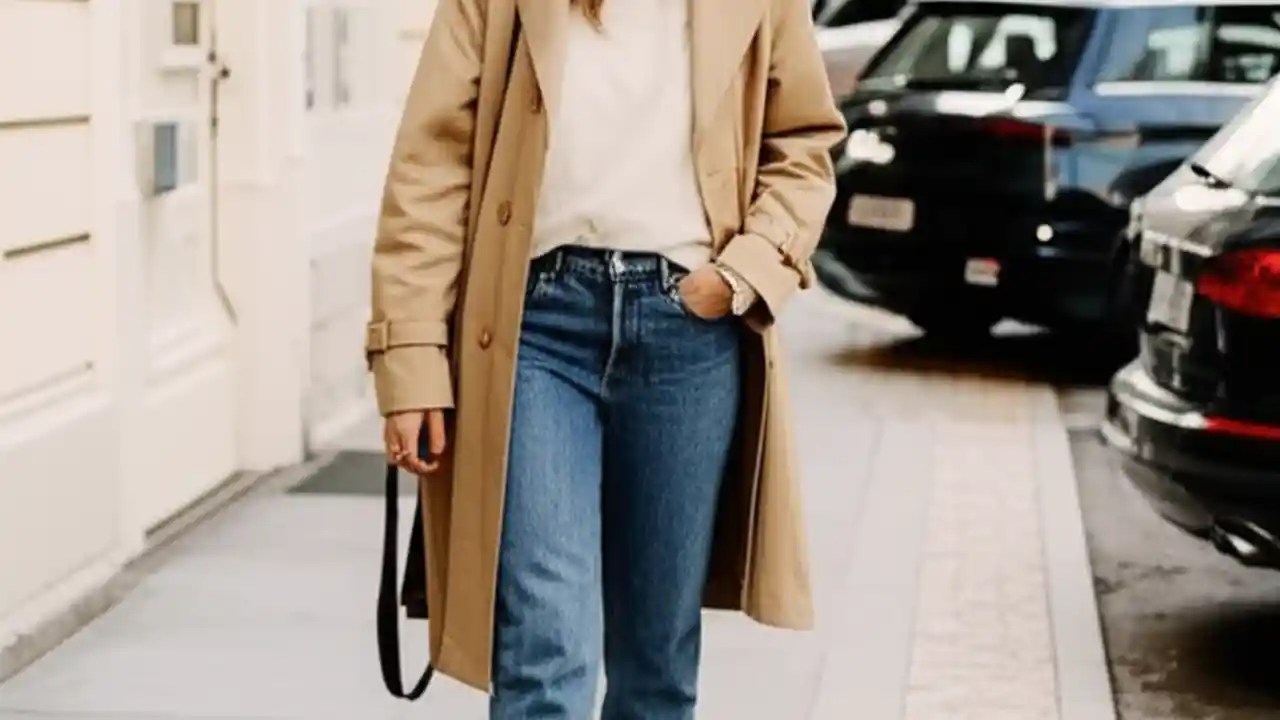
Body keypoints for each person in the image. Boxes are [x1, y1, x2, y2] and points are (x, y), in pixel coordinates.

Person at [366, 0, 844, 716]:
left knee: (656, 658)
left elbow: (802, 146)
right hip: (535, 328)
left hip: (688, 329)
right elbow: (433, 165)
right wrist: (411, 357)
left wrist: (744, 271)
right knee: (544, 648)